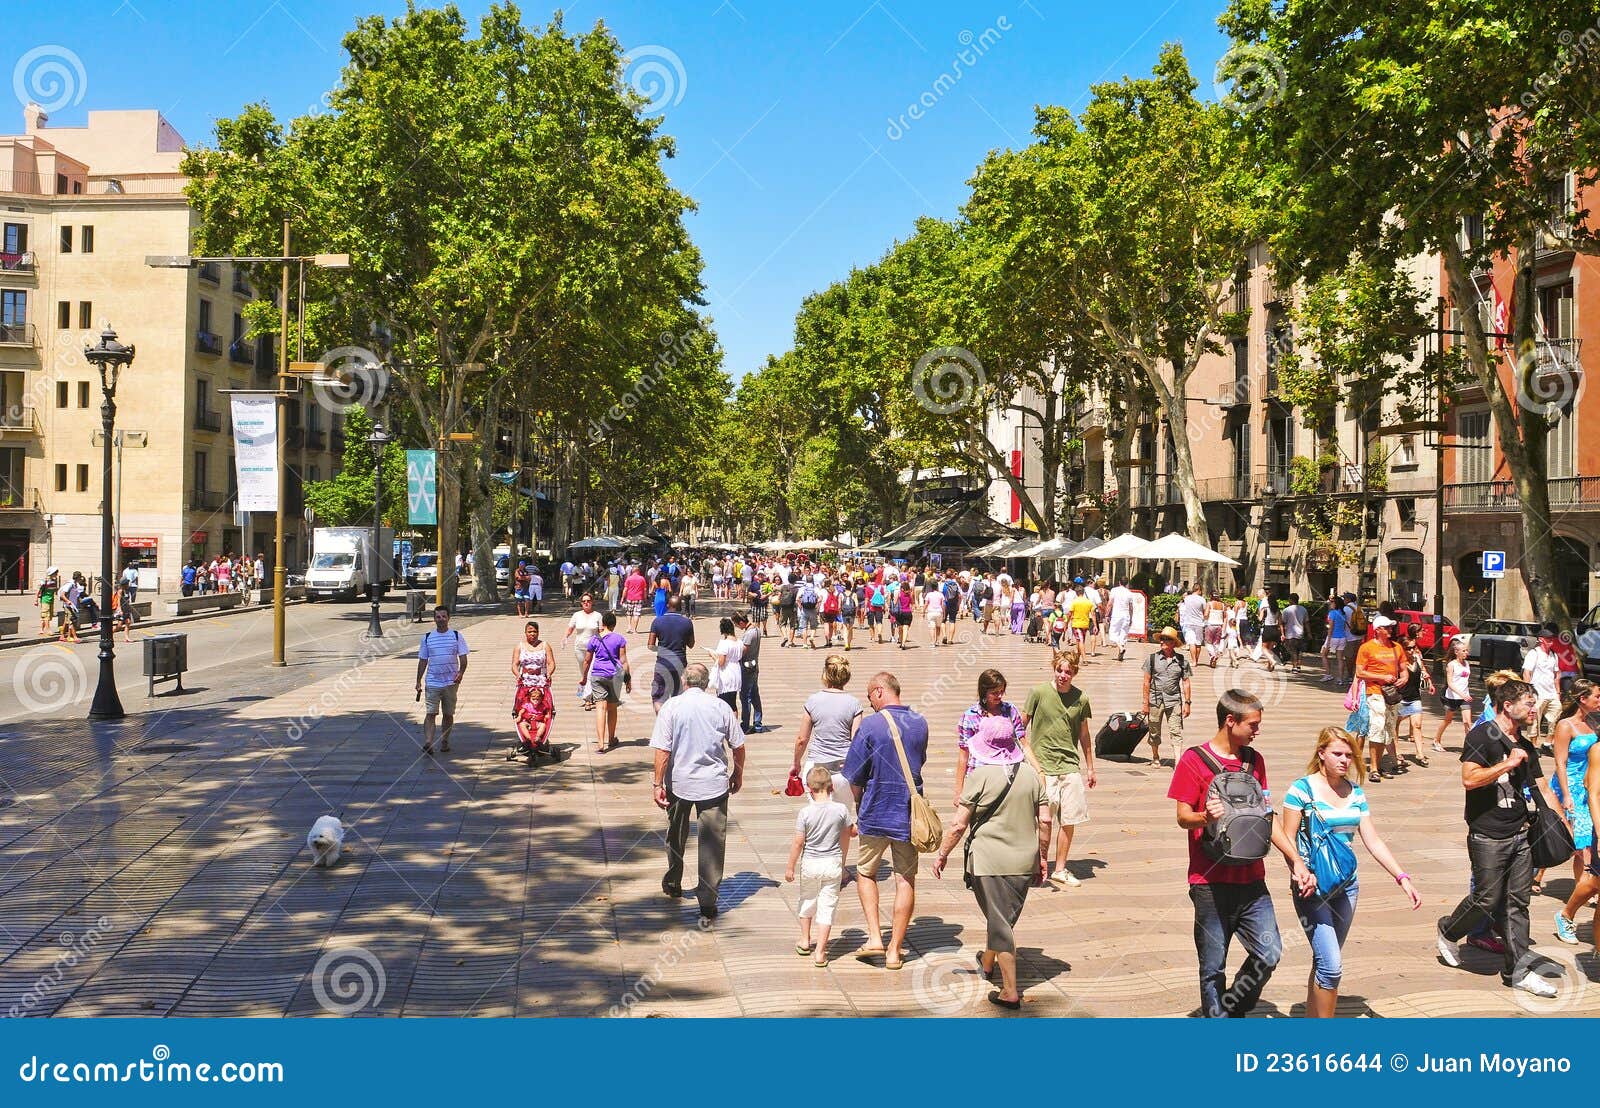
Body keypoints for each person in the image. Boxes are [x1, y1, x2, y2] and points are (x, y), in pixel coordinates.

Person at [1167, 690, 1304, 1018]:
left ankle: (1233, 1008)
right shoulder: (1193, 760)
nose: (1257, 731)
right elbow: (1182, 817)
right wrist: (1205, 817)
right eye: (1253, 725)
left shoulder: (1255, 762)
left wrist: (1295, 860)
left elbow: (1266, 818)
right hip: (1209, 883)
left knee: (1269, 952)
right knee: (1213, 966)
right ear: (1231, 721)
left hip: (1252, 881)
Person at [1279, 727, 1421, 1017]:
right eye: (1337, 754)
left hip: (1347, 887)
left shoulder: (1355, 792)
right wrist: (1299, 870)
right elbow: (1286, 839)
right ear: (1321, 754)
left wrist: (1402, 877)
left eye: (1349, 755)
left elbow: (1373, 840)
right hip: (1312, 888)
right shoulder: (1301, 790)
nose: (1345, 760)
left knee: (1325, 961)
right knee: (1331, 966)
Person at [1435, 677, 1562, 998]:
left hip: (1521, 834)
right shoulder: (1483, 735)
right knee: (1487, 900)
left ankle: (1517, 971)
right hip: (1487, 835)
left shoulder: (1526, 743)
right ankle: (1449, 930)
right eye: (1529, 703)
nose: (1534, 709)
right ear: (1508, 705)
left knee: (1518, 904)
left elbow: (1542, 787)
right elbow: (1468, 779)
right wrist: (1507, 763)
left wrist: (1563, 825)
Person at [931, 709, 1051, 1010]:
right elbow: (1046, 821)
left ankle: (1010, 991)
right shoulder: (1032, 777)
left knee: (1000, 922)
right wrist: (1043, 856)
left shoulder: (980, 776)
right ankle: (987, 960)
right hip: (1024, 861)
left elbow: (959, 824)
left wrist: (942, 855)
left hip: (988, 861)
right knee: (1002, 917)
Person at [842, 671, 929, 969]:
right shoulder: (920, 722)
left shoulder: (870, 725)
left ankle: (876, 937)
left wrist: (857, 804)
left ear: (879, 691)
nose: (870, 703)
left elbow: (854, 776)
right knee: (905, 879)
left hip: (875, 810)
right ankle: (895, 950)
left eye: (869, 696)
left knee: (865, 873)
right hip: (908, 815)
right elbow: (919, 762)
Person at [651, 663, 746, 922]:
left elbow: (662, 750)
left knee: (676, 835)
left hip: (679, 784)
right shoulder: (721, 707)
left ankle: (673, 880)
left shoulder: (671, 707)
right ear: (707, 684)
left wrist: (658, 784)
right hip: (713, 785)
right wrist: (737, 773)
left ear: (684, 681)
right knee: (712, 843)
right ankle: (708, 901)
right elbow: (738, 745)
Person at [1021, 646, 1095, 888]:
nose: (1063, 675)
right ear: (1054, 669)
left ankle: (1060, 868)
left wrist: (1090, 767)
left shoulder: (1081, 698)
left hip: (1070, 765)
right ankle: (1038, 864)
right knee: (1043, 821)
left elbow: (1084, 735)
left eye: (1068, 672)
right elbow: (1020, 727)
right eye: (1059, 670)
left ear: (1074, 673)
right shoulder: (1038, 693)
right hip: (1042, 767)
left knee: (1070, 819)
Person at [785, 765, 855, 968]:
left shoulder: (805, 813)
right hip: (833, 864)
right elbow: (852, 831)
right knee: (827, 906)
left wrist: (790, 867)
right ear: (831, 787)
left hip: (810, 864)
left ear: (808, 788)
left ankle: (805, 940)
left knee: (807, 900)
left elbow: (798, 842)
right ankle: (821, 952)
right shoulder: (840, 810)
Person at [1549, 680, 1600, 936]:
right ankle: (1584, 889)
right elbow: (1560, 762)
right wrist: (1566, 795)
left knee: (1584, 843)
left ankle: (1586, 886)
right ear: (1582, 698)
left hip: (1589, 786)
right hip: (1571, 788)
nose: (1599, 701)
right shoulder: (1565, 725)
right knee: (1582, 846)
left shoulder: (1592, 723)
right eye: (1596, 697)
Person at [792, 654, 863, 822]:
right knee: (842, 820)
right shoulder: (854, 704)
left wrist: (796, 764)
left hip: (816, 768)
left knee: (819, 819)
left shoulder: (813, 701)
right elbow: (857, 742)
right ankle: (841, 849)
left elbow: (802, 739)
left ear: (825, 674)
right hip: (844, 770)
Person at [954, 669, 1028, 801]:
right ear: (984, 692)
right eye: (994, 693)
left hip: (1007, 775)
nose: (999, 696)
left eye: (1001, 692)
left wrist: (1037, 771)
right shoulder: (970, 716)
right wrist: (959, 792)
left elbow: (1022, 741)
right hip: (979, 777)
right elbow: (963, 755)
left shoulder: (1010, 711)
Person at [1354, 615, 1408, 782]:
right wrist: (1382, 676)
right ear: (1377, 630)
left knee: (1388, 730)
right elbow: (1360, 672)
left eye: (1391, 627)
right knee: (1377, 727)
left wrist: (1404, 678)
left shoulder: (1397, 647)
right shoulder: (1366, 647)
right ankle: (1374, 769)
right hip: (1375, 691)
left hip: (1391, 694)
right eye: (1387, 627)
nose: (1391, 629)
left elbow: (1404, 669)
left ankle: (1379, 765)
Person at [415, 605, 469, 756]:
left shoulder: (457, 636)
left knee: (448, 714)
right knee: (430, 713)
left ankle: (445, 740)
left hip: (450, 683)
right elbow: (423, 660)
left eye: (443, 616)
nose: (441, 620)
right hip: (432, 681)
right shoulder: (427, 638)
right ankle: (428, 742)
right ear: (434, 619)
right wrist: (418, 680)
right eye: (438, 617)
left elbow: (463, 658)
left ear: (448, 618)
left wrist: (461, 673)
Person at [580, 611, 631, 755]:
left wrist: (584, 677)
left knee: (600, 708)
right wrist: (628, 679)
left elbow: (587, 661)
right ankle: (612, 738)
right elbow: (624, 661)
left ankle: (601, 743)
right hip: (615, 676)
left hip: (597, 675)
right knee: (612, 708)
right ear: (614, 625)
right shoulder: (619, 639)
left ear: (603, 624)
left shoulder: (594, 639)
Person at [1142, 627, 1194, 767]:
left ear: (1173, 643)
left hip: (1174, 700)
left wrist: (1188, 702)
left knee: (1176, 731)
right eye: (1162, 639)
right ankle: (1155, 756)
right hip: (1155, 700)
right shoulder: (1152, 659)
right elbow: (1146, 682)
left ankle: (1177, 761)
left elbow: (1186, 682)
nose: (1162, 642)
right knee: (1154, 731)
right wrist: (1145, 703)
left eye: (1166, 639)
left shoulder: (1182, 661)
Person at [507, 620, 556, 760]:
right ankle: (526, 739)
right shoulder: (519, 646)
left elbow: (551, 662)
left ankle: (540, 737)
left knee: (543, 706)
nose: (532, 634)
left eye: (534, 631)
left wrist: (549, 673)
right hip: (525, 682)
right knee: (524, 707)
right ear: (525, 633)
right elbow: (514, 664)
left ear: (538, 632)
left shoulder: (545, 645)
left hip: (541, 681)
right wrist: (518, 674)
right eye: (529, 631)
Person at [647, 593, 695, 715]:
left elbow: (650, 645)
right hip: (680, 663)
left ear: (668, 605)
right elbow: (691, 644)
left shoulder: (657, 621)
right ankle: (676, 724)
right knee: (679, 696)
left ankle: (663, 722)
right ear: (681, 606)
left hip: (662, 663)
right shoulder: (687, 622)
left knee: (659, 696)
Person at [1395, 626, 1436, 768]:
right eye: (1408, 648)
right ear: (1402, 649)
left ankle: (1420, 754)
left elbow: (1423, 669)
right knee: (1395, 726)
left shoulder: (1417, 657)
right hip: (1400, 698)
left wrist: (1429, 682)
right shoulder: (1397, 663)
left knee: (1417, 726)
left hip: (1414, 697)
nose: (1412, 651)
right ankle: (1397, 753)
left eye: (1413, 647)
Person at [1524, 623, 1564, 748]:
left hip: (1551, 693)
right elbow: (1527, 673)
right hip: (1537, 693)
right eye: (1548, 639)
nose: (1551, 641)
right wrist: (1529, 694)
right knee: (1534, 720)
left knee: (1555, 718)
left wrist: (1558, 692)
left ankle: (1547, 743)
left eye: (1552, 639)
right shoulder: (1533, 653)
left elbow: (1557, 674)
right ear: (1541, 639)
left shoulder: (1553, 655)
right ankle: (1534, 746)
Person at [563, 593, 604, 709]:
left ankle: (587, 699)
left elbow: (601, 631)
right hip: (580, 648)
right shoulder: (577, 615)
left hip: (594, 649)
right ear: (581, 603)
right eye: (584, 601)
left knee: (591, 673)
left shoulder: (598, 615)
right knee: (583, 673)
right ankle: (588, 694)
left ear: (592, 602)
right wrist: (565, 637)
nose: (586, 603)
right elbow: (570, 628)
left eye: (588, 601)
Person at [1434, 635, 1473, 753]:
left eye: (1467, 650)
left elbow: (1464, 681)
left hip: (1464, 697)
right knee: (1448, 720)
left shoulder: (1467, 664)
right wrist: (1461, 694)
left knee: (1467, 722)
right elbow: (1450, 683)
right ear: (1456, 652)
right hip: (1452, 697)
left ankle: (1469, 746)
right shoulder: (1451, 665)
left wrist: (1465, 694)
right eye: (1464, 651)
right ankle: (1436, 740)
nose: (1466, 653)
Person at [734, 610, 764, 733]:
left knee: (745, 696)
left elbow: (743, 651)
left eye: (736, 624)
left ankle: (745, 724)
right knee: (755, 695)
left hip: (746, 668)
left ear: (741, 622)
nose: (736, 627)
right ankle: (758, 723)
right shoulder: (756, 629)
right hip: (754, 665)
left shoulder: (748, 634)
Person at [708, 617, 743, 715]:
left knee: (723, 701)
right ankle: (734, 725)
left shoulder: (724, 643)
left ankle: (726, 726)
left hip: (726, 673)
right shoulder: (739, 642)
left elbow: (721, 662)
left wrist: (712, 655)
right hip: (736, 671)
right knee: (732, 702)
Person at [1178, 584, 1206, 667]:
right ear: (1199, 590)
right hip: (1199, 623)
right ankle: (1196, 660)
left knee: (1191, 642)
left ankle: (1193, 661)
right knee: (1198, 643)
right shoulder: (1202, 599)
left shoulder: (1187, 599)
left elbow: (1183, 606)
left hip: (1189, 623)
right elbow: (1204, 611)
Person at [1323, 598, 1350, 685]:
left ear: (1336, 604)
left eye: (1332, 602)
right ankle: (1340, 679)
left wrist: (1328, 641)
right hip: (1342, 637)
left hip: (1333, 637)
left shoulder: (1332, 613)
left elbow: (1331, 628)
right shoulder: (1343, 613)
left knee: (1323, 654)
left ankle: (1328, 674)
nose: (1330, 603)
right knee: (1340, 659)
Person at [1106, 579, 1133, 661]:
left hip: (1116, 615)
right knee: (1123, 634)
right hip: (1126, 615)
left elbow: (1110, 603)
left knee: (1113, 633)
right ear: (1127, 583)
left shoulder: (1114, 590)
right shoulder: (1129, 593)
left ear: (1119, 582)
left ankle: (1120, 648)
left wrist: (1107, 614)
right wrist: (1131, 617)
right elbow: (1131, 607)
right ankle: (1120, 654)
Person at [1280, 593, 1307, 673]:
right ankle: (1298, 666)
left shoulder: (1286, 610)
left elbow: (1282, 622)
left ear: (1291, 600)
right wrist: (1309, 633)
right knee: (1299, 650)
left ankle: (1294, 667)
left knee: (1293, 650)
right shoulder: (1303, 609)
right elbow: (1307, 622)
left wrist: (1282, 633)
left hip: (1290, 633)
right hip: (1300, 632)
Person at [621, 565, 649, 634]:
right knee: (636, 614)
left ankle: (629, 626)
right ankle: (634, 630)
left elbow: (625, 589)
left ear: (632, 571)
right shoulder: (642, 579)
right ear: (638, 571)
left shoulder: (629, 578)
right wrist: (645, 598)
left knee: (629, 613)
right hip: (639, 598)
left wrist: (622, 598)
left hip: (629, 597)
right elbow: (645, 590)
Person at [36, 566, 59, 636]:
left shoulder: (54, 581)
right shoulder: (44, 581)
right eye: (55, 573)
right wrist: (36, 600)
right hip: (45, 600)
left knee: (48, 615)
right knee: (46, 615)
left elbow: (54, 590)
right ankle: (48, 629)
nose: (56, 574)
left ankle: (41, 629)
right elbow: (39, 590)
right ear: (51, 573)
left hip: (51, 599)